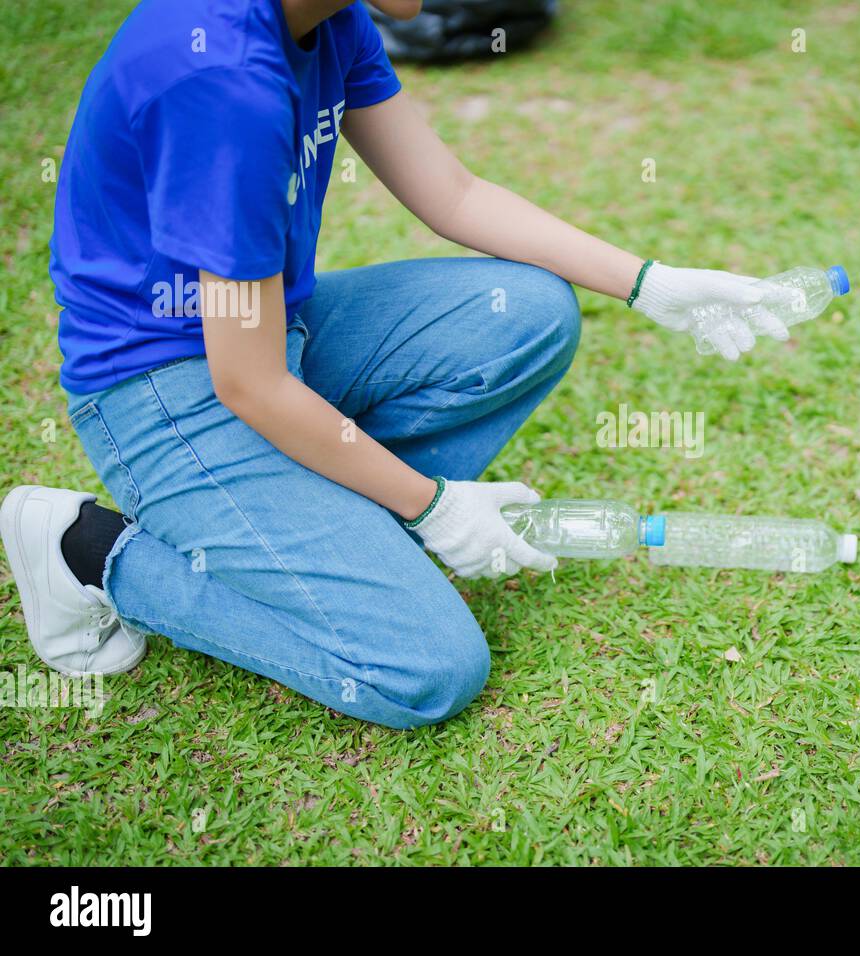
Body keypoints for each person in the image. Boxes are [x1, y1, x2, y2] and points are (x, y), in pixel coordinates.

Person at [0, 0, 790, 728]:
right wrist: (433, 505)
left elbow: (452, 192)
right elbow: (247, 381)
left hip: (277, 337)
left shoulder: (330, 18)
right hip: (167, 390)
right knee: (426, 669)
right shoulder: (223, 81)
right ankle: (91, 552)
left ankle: (340, 537)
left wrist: (650, 284)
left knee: (527, 315)